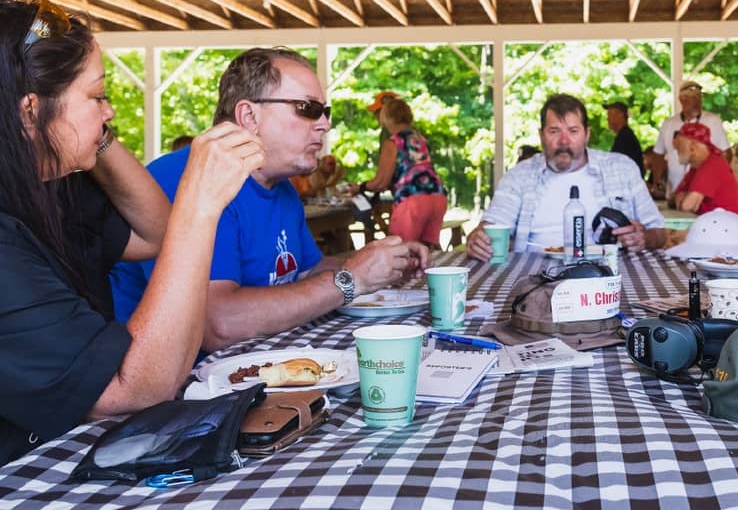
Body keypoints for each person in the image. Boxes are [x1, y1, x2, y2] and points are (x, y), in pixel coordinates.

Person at [0, 0, 263, 465]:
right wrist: (200, 204)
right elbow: (134, 387)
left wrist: (90, 135)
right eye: (97, 96)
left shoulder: (53, 187)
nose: (109, 113)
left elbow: (155, 234)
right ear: (30, 112)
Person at [110, 48, 428, 350]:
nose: (325, 124)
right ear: (249, 116)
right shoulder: (186, 180)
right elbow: (218, 323)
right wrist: (351, 279)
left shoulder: (281, 186)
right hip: (179, 382)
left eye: (325, 112)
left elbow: (305, 271)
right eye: (308, 109)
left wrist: (379, 262)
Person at [465, 93, 665, 260]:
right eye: (554, 131)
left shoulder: (622, 168)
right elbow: (493, 225)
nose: (563, 141)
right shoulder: (519, 176)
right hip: (533, 274)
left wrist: (644, 238)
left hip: (612, 271)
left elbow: (659, 233)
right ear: (541, 135)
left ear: (587, 134)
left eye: (573, 131)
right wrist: (479, 240)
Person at [360, 96, 447, 248]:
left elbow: (380, 183)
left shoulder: (393, 142)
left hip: (412, 199)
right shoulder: (420, 138)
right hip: (437, 196)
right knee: (425, 251)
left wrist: (360, 187)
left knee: (399, 250)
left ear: (386, 117)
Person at [652, 80, 729, 199]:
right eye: (693, 98)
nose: (698, 102)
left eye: (699, 97)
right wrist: (657, 180)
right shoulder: (669, 124)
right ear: (682, 100)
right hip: (674, 192)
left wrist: (715, 180)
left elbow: (726, 154)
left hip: (704, 193)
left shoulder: (713, 121)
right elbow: (658, 154)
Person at [671, 122, 738, 217]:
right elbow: (673, 198)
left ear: (692, 147)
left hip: (728, 224)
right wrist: (680, 197)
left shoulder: (713, 165)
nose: (676, 149)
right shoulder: (695, 168)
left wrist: (684, 197)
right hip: (714, 222)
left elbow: (687, 206)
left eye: (680, 146)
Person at [604, 100, 644, 175]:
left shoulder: (625, 138)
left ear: (621, 115)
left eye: (610, 114)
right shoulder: (624, 135)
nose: (607, 118)